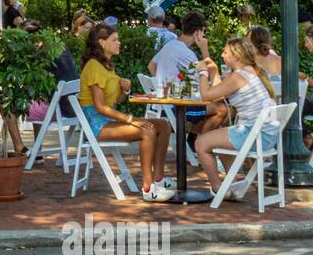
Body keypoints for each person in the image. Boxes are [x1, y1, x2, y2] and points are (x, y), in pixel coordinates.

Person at [78, 23, 173, 201]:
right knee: (147, 129)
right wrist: (131, 119)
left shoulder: (106, 65)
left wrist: (125, 91)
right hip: (97, 125)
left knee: (164, 125)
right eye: (114, 40)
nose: (119, 43)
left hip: (106, 118)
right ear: (102, 43)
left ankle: (158, 179)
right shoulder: (93, 66)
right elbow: (100, 107)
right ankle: (147, 188)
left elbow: (113, 101)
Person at [194, 36, 279, 199]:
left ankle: (218, 189)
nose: (222, 55)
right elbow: (220, 91)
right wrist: (215, 72)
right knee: (220, 142)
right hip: (266, 135)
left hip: (255, 135)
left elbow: (206, 95)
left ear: (236, 56)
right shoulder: (248, 72)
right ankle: (229, 186)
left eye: (225, 52)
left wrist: (203, 72)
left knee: (201, 143)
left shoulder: (238, 76)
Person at [149, 10, 227, 140]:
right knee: (222, 109)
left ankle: (193, 144)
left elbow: (151, 66)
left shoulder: (170, 45)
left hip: (161, 103)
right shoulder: (186, 53)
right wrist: (204, 49)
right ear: (198, 32)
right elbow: (206, 76)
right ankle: (198, 144)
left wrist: (165, 82)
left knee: (203, 105)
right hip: (174, 107)